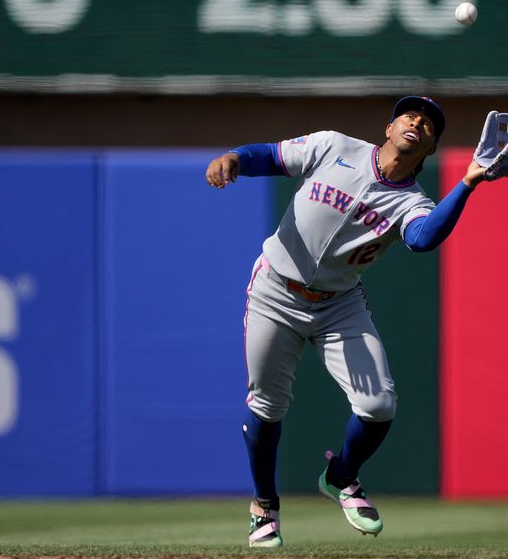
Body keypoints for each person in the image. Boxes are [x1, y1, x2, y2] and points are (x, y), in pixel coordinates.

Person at [205, 96, 488, 548]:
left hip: (339, 305)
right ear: (388, 126)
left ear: (431, 149)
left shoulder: (414, 201)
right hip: (275, 290)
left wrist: (469, 183)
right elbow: (273, 156)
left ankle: (341, 476)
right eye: (409, 115)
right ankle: (264, 508)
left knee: (379, 405)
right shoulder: (333, 146)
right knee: (267, 405)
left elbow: (424, 238)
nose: (418, 121)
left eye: (430, 124)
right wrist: (236, 157)